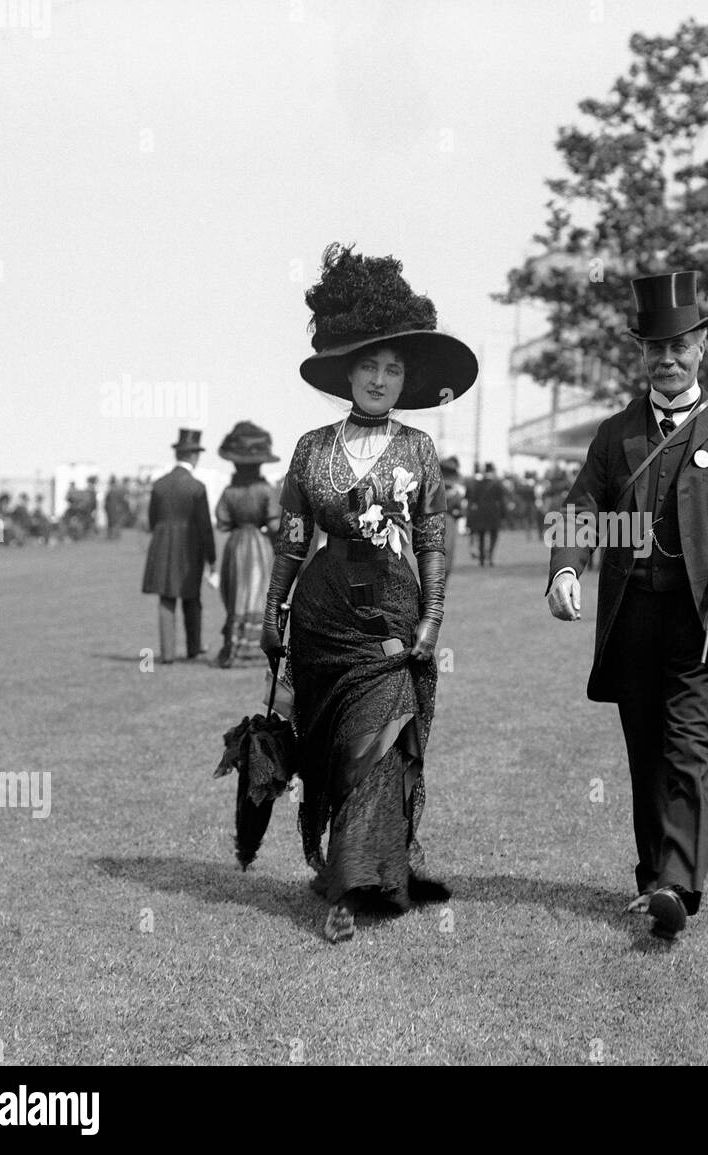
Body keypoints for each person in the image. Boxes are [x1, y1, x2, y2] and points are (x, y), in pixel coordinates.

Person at [545, 270, 708, 942]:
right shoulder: (616, 432)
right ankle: (655, 879)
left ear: (702, 345)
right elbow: (582, 508)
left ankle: (675, 887)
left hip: (706, 622)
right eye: (656, 347)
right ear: (642, 353)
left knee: (688, 750)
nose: (669, 357)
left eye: (680, 344)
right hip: (633, 620)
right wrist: (567, 566)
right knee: (647, 754)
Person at [259, 244, 477, 944]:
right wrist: (273, 611)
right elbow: (293, 538)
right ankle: (352, 868)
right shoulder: (309, 448)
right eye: (369, 366)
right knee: (332, 752)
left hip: (393, 614)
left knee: (378, 740)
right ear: (345, 372)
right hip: (322, 620)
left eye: (394, 369)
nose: (381, 378)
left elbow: (434, 536)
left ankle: (349, 893)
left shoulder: (417, 448)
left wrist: (434, 616)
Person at [142, 429, 217, 663]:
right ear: (194, 456)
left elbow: (153, 519)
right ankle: (193, 648)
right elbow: (205, 526)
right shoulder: (197, 487)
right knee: (191, 597)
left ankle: (167, 653)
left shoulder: (159, 485)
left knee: (166, 598)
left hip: (162, 547)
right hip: (189, 548)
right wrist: (211, 558)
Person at [214, 422, 281, 668]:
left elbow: (222, 522)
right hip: (259, 546)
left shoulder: (229, 491)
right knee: (257, 594)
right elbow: (274, 523)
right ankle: (255, 650)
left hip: (236, 546)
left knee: (236, 595)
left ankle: (234, 646)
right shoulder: (265, 489)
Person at [467, 462, 507, 565]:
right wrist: (504, 514)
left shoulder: (478, 484)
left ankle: (481, 559)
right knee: (494, 535)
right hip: (493, 512)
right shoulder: (497, 484)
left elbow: (473, 499)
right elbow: (501, 500)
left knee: (481, 536)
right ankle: (490, 556)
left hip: (481, 512)